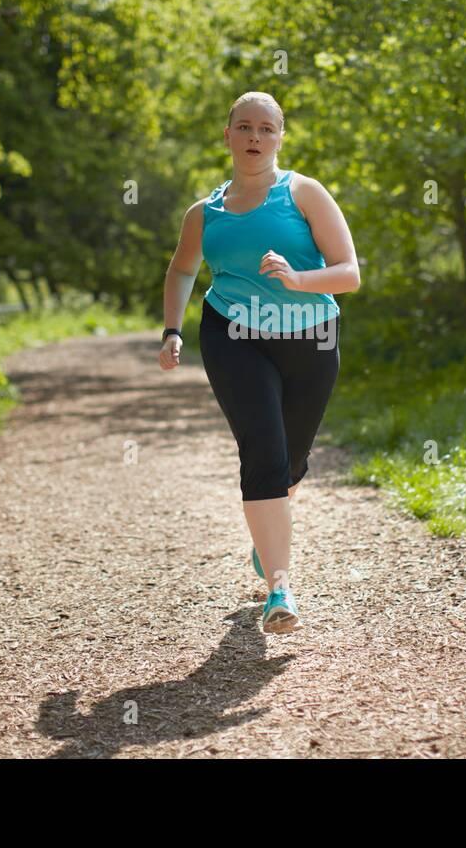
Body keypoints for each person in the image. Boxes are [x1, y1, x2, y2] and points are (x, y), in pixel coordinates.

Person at [158, 91, 361, 633]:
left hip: (310, 338)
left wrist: (298, 280)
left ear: (279, 137)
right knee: (263, 451)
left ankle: (271, 521)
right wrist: (173, 329)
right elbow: (181, 271)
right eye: (244, 127)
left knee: (289, 464)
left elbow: (348, 273)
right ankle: (279, 588)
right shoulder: (205, 213)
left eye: (266, 129)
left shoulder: (304, 193)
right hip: (233, 334)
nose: (254, 138)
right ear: (227, 136)